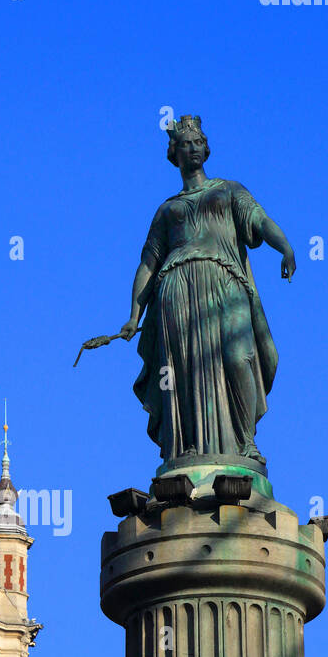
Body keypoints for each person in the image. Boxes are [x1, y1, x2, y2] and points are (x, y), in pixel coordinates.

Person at [121, 114, 295, 466]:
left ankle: (246, 442)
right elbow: (148, 264)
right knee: (182, 371)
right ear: (175, 153)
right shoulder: (167, 210)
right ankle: (183, 446)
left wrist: (286, 247)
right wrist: (133, 315)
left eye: (199, 142)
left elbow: (259, 220)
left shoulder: (228, 190)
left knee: (240, 359)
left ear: (207, 148)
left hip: (225, 283)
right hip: (177, 291)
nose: (194, 148)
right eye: (186, 143)